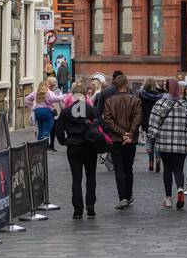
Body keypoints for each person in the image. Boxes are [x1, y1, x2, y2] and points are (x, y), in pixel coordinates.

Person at [55, 80, 101, 219]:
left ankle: (77, 210)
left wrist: (64, 141)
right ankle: (90, 205)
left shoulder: (66, 111)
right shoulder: (92, 110)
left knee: (76, 178)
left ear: (73, 95)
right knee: (91, 176)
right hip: (89, 146)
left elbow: (59, 130)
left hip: (73, 146)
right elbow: (100, 127)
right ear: (86, 95)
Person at [148, 79, 187, 210]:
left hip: (164, 143)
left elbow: (152, 124)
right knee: (179, 169)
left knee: (167, 170)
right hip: (181, 144)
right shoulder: (185, 105)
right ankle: (180, 188)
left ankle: (168, 198)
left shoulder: (159, 103)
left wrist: (150, 141)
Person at [102, 74, 142, 209]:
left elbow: (108, 120)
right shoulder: (135, 100)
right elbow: (138, 118)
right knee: (128, 168)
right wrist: (129, 133)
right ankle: (129, 195)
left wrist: (121, 133)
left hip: (116, 139)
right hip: (130, 140)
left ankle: (123, 197)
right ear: (126, 84)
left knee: (119, 168)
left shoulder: (109, 101)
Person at [138, 77, 163, 173]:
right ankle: (158, 159)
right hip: (157, 121)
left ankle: (151, 163)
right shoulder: (159, 95)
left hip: (146, 121)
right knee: (157, 142)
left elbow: (140, 108)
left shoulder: (142, 94)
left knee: (149, 142)